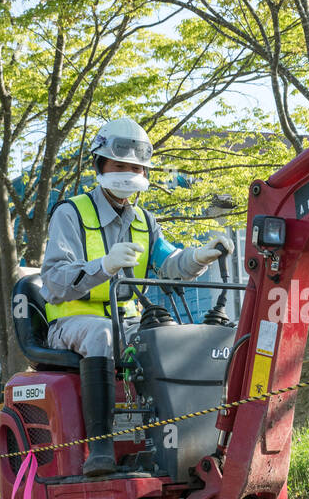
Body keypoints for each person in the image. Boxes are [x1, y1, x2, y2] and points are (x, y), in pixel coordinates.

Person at [41, 118, 234, 476]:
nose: (127, 173)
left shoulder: (145, 220)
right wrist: (104, 265)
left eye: (135, 167)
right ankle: (100, 448)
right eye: (119, 166)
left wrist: (199, 257)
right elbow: (54, 281)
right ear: (99, 166)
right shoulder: (70, 214)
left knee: (172, 338)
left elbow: (169, 262)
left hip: (126, 321)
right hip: (72, 322)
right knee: (102, 333)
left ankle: (182, 444)